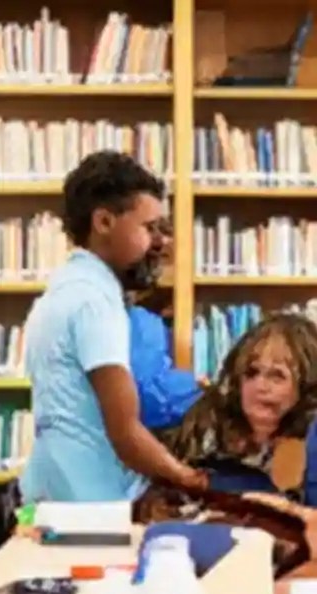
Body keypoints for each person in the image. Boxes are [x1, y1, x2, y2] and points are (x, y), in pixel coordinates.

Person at [20, 151, 205, 503]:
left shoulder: (61, 289)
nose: (161, 242)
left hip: (54, 493)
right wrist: (191, 480)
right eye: (149, 228)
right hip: (92, 505)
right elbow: (126, 433)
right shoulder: (96, 304)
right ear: (103, 222)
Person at [136, 313, 317, 521]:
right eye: (251, 373)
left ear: (307, 387)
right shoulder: (202, 421)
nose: (260, 386)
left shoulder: (310, 440)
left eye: (277, 376)